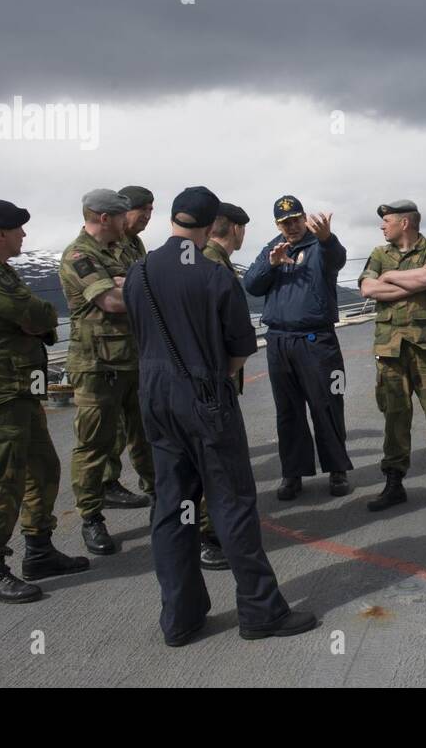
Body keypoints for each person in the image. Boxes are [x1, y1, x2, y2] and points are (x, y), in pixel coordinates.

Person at [123, 186, 315, 645]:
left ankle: (181, 618)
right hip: (204, 396)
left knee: (171, 508)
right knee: (231, 503)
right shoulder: (214, 275)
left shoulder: (137, 272)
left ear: (172, 219)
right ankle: (260, 610)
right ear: (213, 226)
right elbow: (239, 350)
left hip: (153, 396)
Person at [0, 199, 88, 602]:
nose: (24, 235)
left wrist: (37, 320)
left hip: (21, 388)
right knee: (2, 482)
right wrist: (39, 320)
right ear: (0, 233)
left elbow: (36, 318)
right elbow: (39, 316)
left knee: (42, 468)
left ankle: (39, 549)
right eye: (18, 229)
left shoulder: (1, 272)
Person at [59, 189, 156, 556]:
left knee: (148, 435)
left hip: (135, 357)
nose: (128, 222)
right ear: (104, 218)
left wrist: (128, 283)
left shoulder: (130, 246)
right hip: (97, 366)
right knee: (94, 444)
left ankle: (161, 501)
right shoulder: (79, 256)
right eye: (121, 217)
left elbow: (134, 288)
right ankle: (91, 518)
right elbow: (112, 301)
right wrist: (132, 286)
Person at [243, 195, 352, 500]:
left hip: (316, 340)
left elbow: (338, 259)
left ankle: (337, 470)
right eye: (284, 222)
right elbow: (250, 285)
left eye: (295, 220)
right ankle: (293, 473)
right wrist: (271, 264)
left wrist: (327, 237)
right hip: (278, 340)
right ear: (277, 223)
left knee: (327, 406)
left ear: (304, 219)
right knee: (288, 412)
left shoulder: (322, 245)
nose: (290, 226)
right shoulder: (272, 248)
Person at [358, 200, 426, 511]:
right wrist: (407, 285)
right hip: (390, 347)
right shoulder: (378, 254)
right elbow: (367, 289)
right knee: (394, 415)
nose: (381, 226)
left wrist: (389, 278)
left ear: (405, 223)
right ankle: (394, 483)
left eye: (386, 220)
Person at [195, 201, 251, 570]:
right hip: (213, 379)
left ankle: (211, 530)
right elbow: (232, 332)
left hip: (205, 378)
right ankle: (211, 536)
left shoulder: (208, 261)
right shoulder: (215, 267)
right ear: (233, 228)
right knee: (215, 460)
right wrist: (229, 370)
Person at [100, 184, 156, 510]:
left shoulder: (135, 244)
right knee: (111, 426)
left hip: (137, 346)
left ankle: (153, 482)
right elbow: (113, 293)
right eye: (142, 210)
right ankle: (106, 482)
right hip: (109, 350)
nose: (148, 217)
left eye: (151, 210)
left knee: (140, 420)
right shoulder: (105, 245)